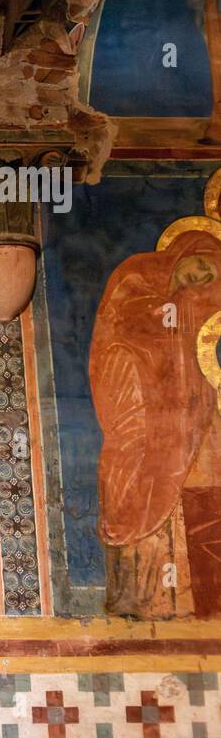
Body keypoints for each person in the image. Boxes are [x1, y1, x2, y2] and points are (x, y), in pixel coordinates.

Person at [91, 224, 221, 617]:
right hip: (132, 395)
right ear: (183, 252)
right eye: (201, 265)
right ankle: (138, 600)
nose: (200, 277)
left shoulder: (197, 303)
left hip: (179, 412)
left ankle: (178, 603)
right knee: (128, 474)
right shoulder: (137, 273)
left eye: (210, 276)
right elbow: (116, 329)